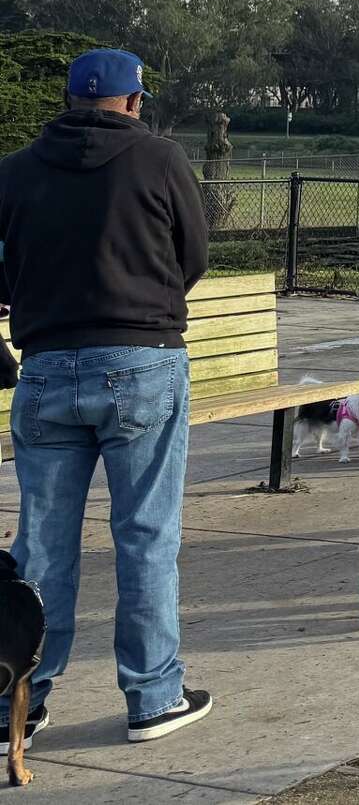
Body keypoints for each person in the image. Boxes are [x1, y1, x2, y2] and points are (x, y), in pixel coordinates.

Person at [0, 48, 213, 747]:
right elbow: (195, 255)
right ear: (134, 100)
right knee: (146, 534)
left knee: (41, 544)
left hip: (46, 364)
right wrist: (147, 303)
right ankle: (153, 695)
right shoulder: (160, 158)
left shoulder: (19, 168)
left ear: (68, 99)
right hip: (142, 355)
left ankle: (17, 703)